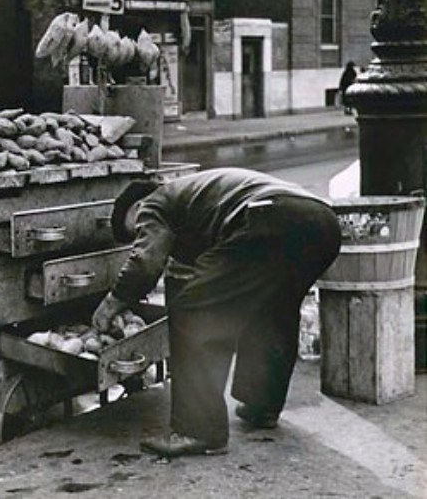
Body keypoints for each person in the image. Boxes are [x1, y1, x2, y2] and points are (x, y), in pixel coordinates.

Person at [92, 168, 341, 458]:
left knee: (194, 311)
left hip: (268, 219)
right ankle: (262, 405)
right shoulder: (194, 195)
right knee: (272, 308)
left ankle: (198, 430)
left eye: (137, 230)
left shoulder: (155, 201)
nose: (142, 233)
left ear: (137, 207)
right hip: (321, 223)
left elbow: (145, 261)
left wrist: (112, 302)